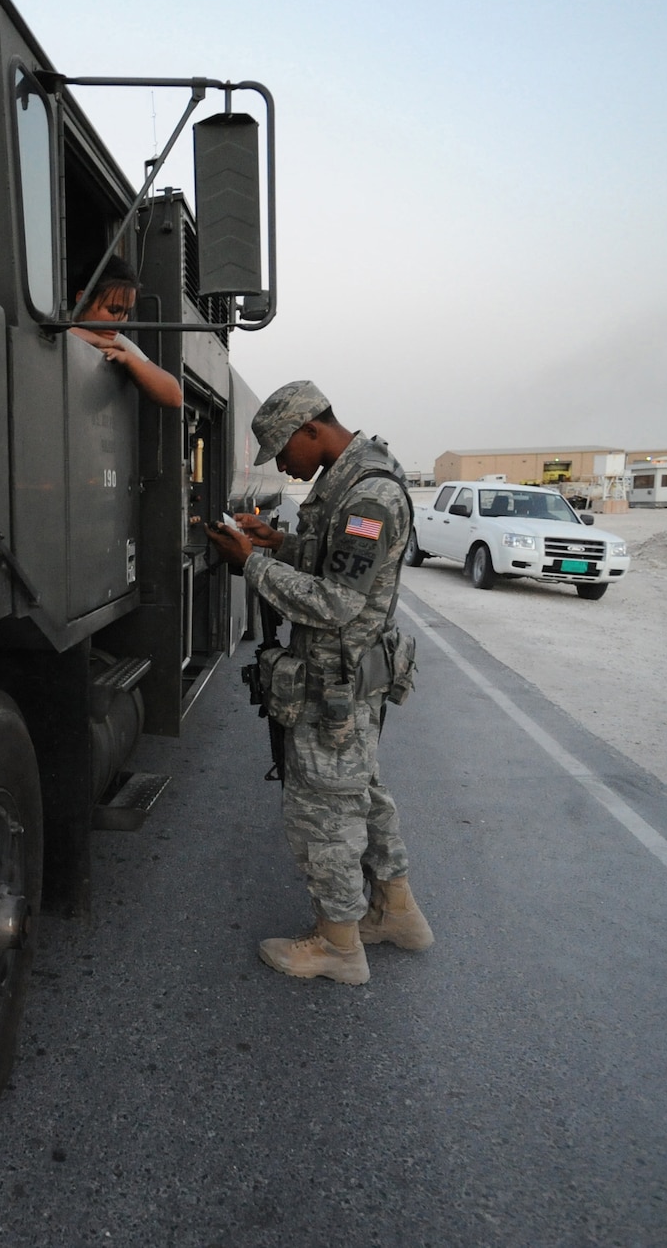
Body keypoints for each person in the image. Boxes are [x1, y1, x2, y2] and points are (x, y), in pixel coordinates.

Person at [203, 380, 433, 985]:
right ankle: (397, 913)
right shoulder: (355, 481)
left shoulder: (368, 497)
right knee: (364, 794)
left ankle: (338, 947)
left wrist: (250, 563)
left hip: (336, 683)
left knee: (325, 813)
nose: (283, 465)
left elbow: (335, 602)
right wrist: (282, 543)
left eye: (284, 450)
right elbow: (338, 561)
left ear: (312, 428)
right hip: (350, 681)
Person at [69, 256, 182, 408]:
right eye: (113, 310)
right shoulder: (58, 321)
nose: (121, 320)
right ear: (82, 299)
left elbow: (174, 396)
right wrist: (98, 341)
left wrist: (129, 359)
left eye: (126, 312)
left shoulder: (116, 341)